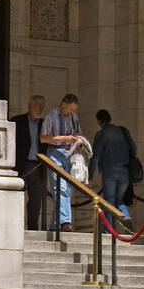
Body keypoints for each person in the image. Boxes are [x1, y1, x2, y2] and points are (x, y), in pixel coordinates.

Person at [90, 109, 137, 233]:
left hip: (109, 171)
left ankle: (108, 230)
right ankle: (126, 216)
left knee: (109, 201)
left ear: (99, 121)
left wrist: (89, 176)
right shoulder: (122, 130)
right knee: (119, 199)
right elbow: (133, 148)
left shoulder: (101, 134)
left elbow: (95, 157)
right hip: (124, 170)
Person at [40, 94, 81, 231]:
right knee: (60, 188)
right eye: (70, 109)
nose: (71, 112)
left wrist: (80, 140)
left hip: (70, 154)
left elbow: (79, 133)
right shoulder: (51, 116)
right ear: (63, 104)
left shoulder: (74, 117)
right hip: (55, 153)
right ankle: (65, 222)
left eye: (73, 110)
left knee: (67, 190)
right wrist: (64, 138)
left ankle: (54, 225)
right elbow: (44, 138)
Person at [11, 95, 46, 230]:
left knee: (36, 200)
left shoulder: (44, 124)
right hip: (21, 165)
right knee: (16, 196)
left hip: (38, 166)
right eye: (37, 105)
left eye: (42, 106)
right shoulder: (16, 121)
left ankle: (33, 227)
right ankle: (15, 226)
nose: (40, 109)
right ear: (30, 106)